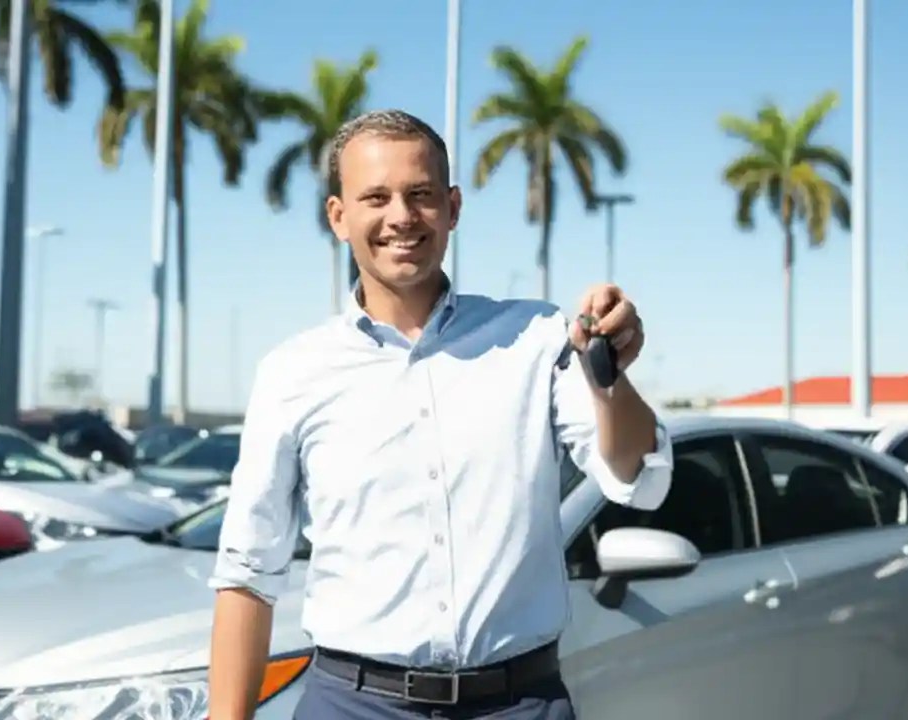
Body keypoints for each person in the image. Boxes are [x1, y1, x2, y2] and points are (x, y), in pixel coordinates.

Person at [207, 108, 673, 720]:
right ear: (338, 217)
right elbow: (247, 569)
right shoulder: (293, 372)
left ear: (452, 208)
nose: (401, 216)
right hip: (351, 706)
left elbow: (642, 479)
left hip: (518, 705)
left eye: (420, 194)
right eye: (376, 196)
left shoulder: (536, 337)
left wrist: (610, 378)